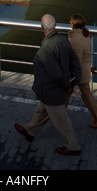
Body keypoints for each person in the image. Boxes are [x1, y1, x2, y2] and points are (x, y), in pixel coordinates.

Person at [14, 14, 82, 156]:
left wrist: (67, 85)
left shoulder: (45, 50)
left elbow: (55, 74)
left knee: (62, 121)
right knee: (42, 111)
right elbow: (75, 62)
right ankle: (30, 131)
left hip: (51, 91)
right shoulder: (64, 40)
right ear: (55, 26)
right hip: (53, 90)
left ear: (41, 27)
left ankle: (73, 147)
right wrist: (75, 82)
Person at [66, 14, 97, 128]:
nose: (69, 23)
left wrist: (71, 76)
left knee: (70, 94)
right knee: (79, 95)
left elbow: (76, 61)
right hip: (84, 71)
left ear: (73, 24)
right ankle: (57, 116)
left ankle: (57, 116)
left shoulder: (75, 40)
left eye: (70, 21)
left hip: (79, 74)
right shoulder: (85, 35)